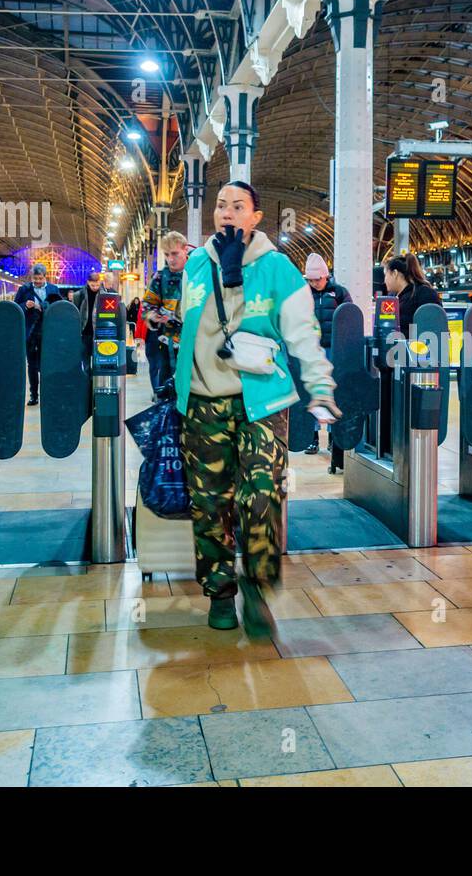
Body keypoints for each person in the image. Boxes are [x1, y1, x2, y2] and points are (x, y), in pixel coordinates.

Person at [174, 181, 338, 635]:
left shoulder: (278, 269)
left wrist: (320, 387)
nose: (227, 212)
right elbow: (196, 330)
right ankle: (220, 593)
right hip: (203, 403)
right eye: (221, 205)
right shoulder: (193, 266)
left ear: (256, 217)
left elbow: (303, 333)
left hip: (262, 402)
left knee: (262, 495)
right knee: (210, 503)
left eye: (238, 206)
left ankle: (258, 586)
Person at [302, 252, 352, 467]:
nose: (314, 283)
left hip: (333, 349)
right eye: (310, 280)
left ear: (325, 276)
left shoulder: (339, 292)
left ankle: (333, 437)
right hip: (311, 349)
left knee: (331, 392)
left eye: (317, 279)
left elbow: (349, 316)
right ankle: (312, 436)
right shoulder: (304, 293)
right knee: (312, 392)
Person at [143, 231, 189, 395]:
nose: (170, 259)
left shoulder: (198, 275)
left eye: (175, 253)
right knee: (167, 392)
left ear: (185, 249)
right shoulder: (159, 277)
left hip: (194, 345)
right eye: (167, 254)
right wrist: (154, 317)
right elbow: (147, 305)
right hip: (168, 347)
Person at [13, 263, 63, 405]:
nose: (38, 281)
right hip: (31, 333)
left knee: (48, 364)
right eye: (35, 278)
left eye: (40, 278)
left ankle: (48, 393)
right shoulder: (24, 289)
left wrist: (42, 306)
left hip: (48, 333)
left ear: (45, 277)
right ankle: (34, 395)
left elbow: (59, 308)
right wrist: (24, 306)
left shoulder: (54, 289)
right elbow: (15, 308)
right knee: (32, 366)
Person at [384, 252, 441, 333]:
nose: (384, 280)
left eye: (386, 275)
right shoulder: (392, 298)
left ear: (395, 273)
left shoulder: (425, 294)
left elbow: (437, 330)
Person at [72, 270, 104, 364]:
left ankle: (95, 379)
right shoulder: (79, 295)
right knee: (84, 361)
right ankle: (86, 378)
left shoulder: (104, 295)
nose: (95, 287)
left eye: (97, 285)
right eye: (92, 285)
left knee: (98, 361)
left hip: (99, 333)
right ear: (88, 282)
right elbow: (75, 314)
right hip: (84, 332)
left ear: (100, 282)